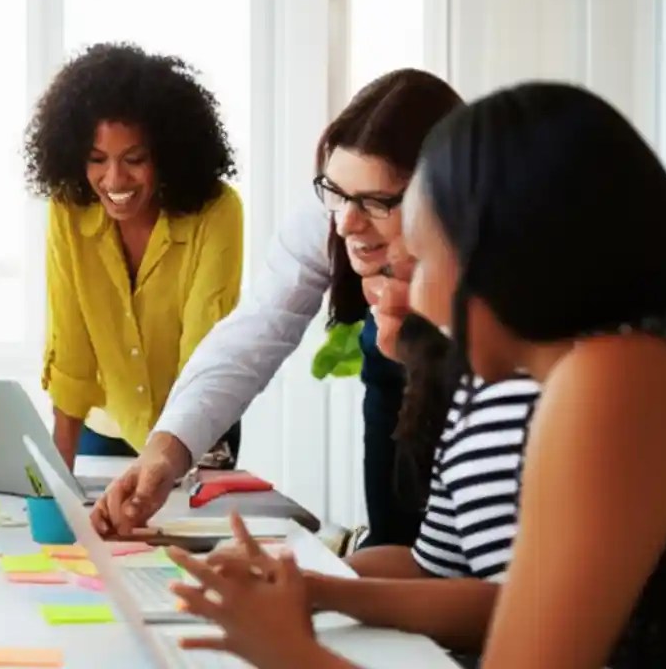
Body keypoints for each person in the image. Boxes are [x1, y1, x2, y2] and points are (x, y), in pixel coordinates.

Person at [165, 82, 666, 669]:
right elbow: (448, 571)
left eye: (425, 259)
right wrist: (311, 589)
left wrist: (290, 653)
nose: (418, 297)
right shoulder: (595, 369)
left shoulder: (614, 378)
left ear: (500, 255)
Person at [93, 68, 464, 547]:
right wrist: (165, 452)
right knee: (398, 547)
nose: (346, 224)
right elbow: (255, 331)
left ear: (444, 199)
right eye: (336, 194)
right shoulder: (331, 218)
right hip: (404, 414)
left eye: (375, 202)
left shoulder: (496, 369)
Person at [24, 42, 243, 469]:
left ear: (166, 154)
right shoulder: (68, 210)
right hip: (105, 428)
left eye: (135, 159)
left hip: (197, 425)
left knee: (173, 516)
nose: (114, 179)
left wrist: (167, 461)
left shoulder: (217, 211)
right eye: (96, 160)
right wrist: (55, 480)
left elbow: (203, 352)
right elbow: (70, 346)